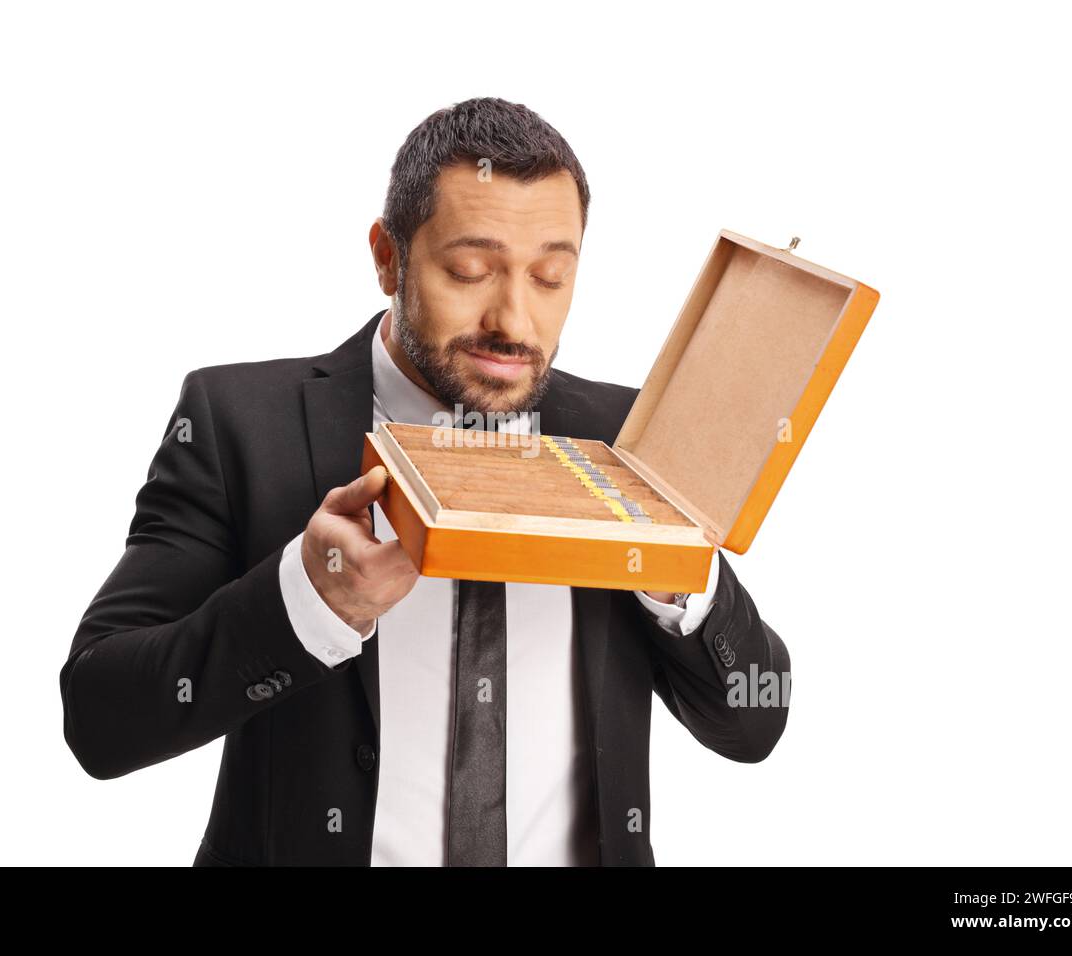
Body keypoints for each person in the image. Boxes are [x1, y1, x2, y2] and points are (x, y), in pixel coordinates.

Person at [59, 96, 790, 866]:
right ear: (388, 256)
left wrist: (676, 571)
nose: (513, 320)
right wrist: (305, 602)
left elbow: (753, 723)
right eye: (470, 270)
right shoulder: (238, 422)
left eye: (550, 277)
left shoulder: (628, 441)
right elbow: (101, 718)